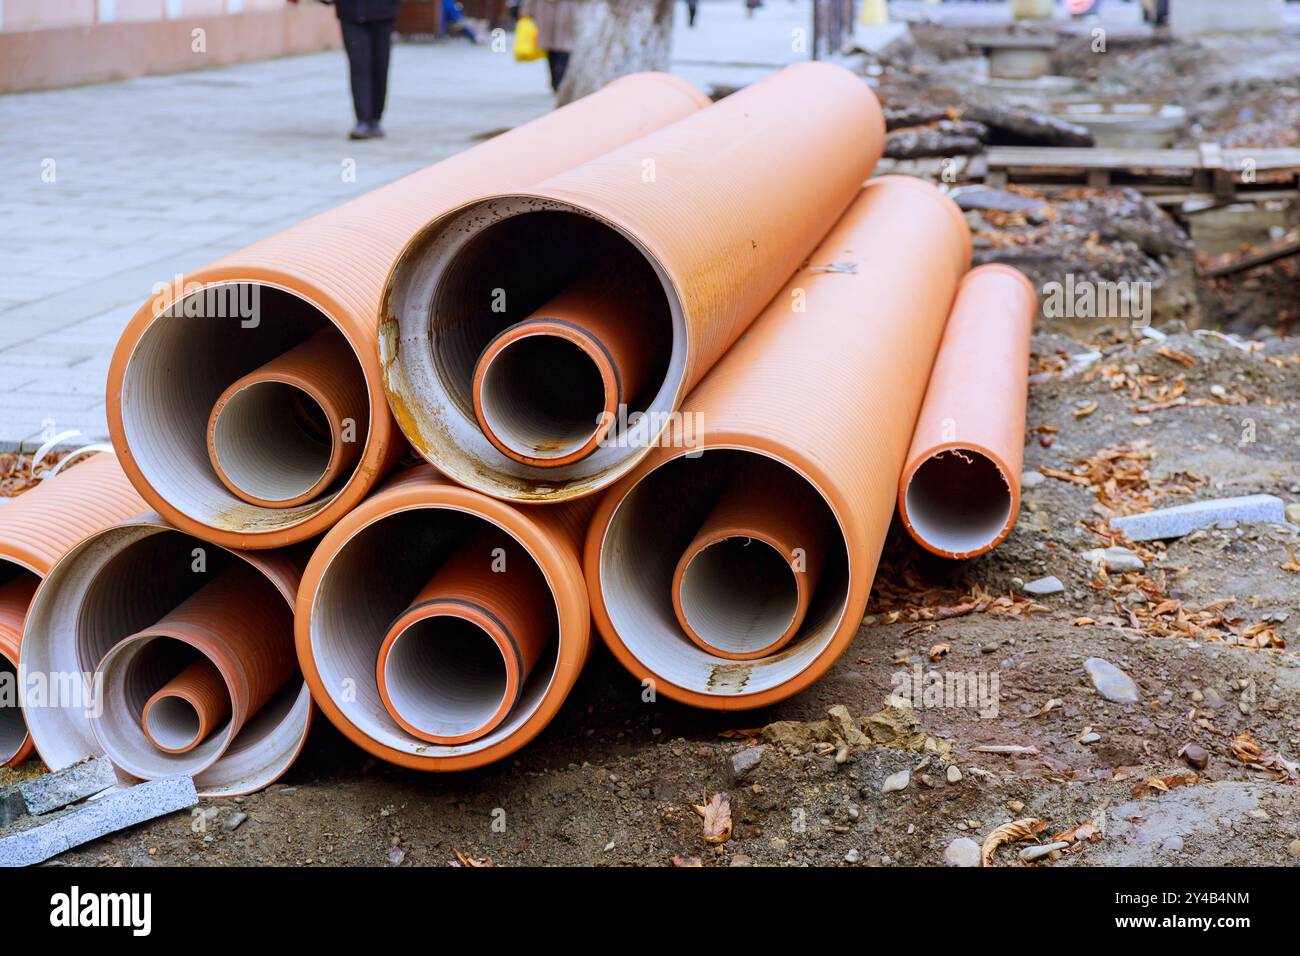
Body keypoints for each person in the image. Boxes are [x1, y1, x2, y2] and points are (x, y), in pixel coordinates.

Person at [334, 0, 399, 140]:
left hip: (383, 11)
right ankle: (363, 120)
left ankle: (375, 119)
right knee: (358, 65)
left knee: (380, 66)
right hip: (351, 11)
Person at [520, 0, 578, 93]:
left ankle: (557, 80)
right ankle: (558, 80)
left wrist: (527, 9)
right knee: (559, 45)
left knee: (557, 45)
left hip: (554, 9)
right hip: (556, 9)